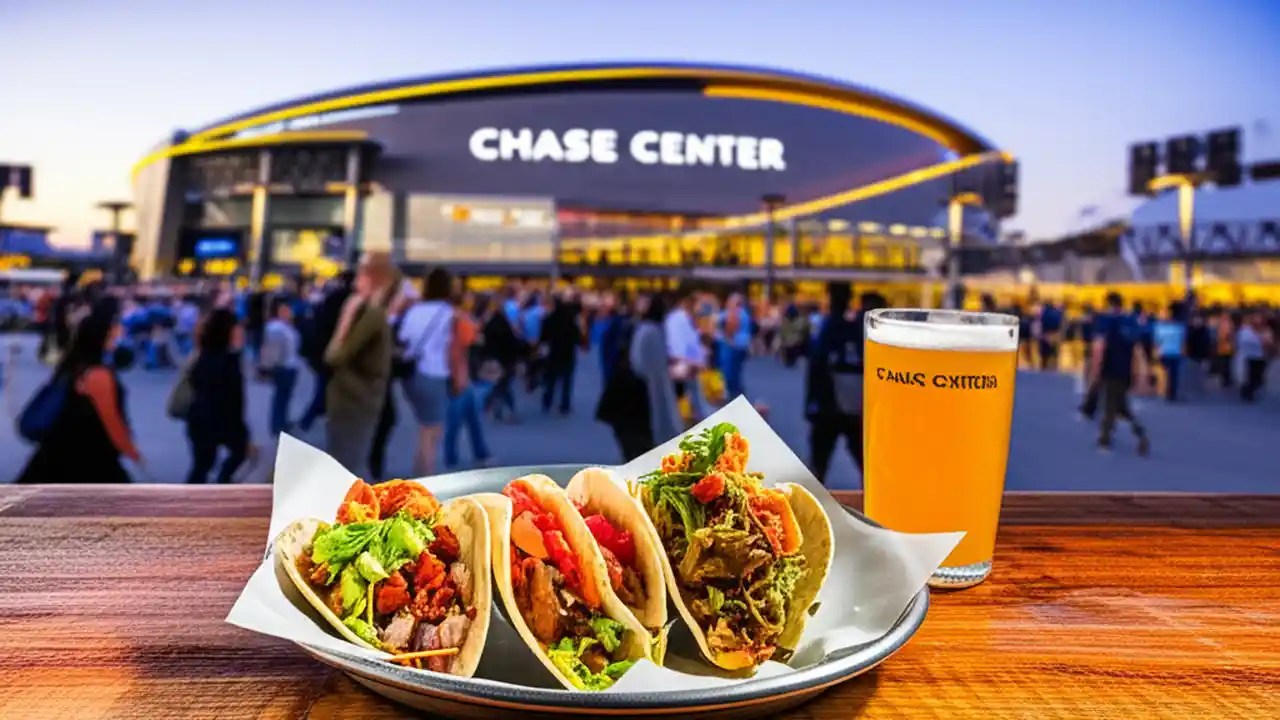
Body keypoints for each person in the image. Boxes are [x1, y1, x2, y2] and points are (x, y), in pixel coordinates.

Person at [18, 300, 141, 484]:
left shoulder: (75, 365)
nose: (121, 332)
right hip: (89, 457)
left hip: (59, 455)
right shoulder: (97, 374)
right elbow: (111, 420)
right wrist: (130, 451)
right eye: (115, 328)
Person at [325, 257, 393, 478]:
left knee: (346, 463)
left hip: (355, 399)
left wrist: (345, 319)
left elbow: (335, 355)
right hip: (355, 399)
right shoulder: (371, 313)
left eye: (361, 276)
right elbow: (335, 356)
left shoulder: (371, 314)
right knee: (347, 462)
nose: (356, 282)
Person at [805, 284, 876, 484]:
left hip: (829, 405)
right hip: (851, 406)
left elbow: (816, 367)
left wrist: (812, 403)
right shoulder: (856, 332)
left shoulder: (828, 328)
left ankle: (813, 496)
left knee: (820, 463)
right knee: (865, 462)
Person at [399, 267, 456, 476]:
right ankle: (425, 476)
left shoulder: (415, 310)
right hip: (435, 372)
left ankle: (420, 472)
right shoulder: (448, 312)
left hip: (412, 373)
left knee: (424, 426)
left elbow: (403, 338)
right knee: (432, 430)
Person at [186, 308, 252, 484]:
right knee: (234, 454)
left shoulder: (204, 355)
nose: (242, 335)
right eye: (237, 331)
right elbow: (234, 400)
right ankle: (222, 483)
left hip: (200, 420)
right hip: (218, 420)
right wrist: (241, 432)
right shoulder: (229, 361)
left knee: (202, 466)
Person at [1089, 292, 1151, 455]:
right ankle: (1140, 433)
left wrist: (1095, 369)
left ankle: (1105, 439)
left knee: (1109, 406)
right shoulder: (1130, 321)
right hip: (1125, 371)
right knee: (1122, 407)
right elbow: (1138, 350)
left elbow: (1099, 347)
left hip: (1110, 369)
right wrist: (1140, 374)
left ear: (1109, 304)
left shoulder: (1108, 321)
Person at [297, 271, 353, 432]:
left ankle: (314, 418)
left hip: (321, 351)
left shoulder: (329, 299)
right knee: (326, 387)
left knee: (326, 385)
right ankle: (310, 419)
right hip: (331, 351)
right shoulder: (344, 300)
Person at [443, 294, 493, 469]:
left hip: (462, 377)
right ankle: (453, 458)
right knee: (457, 420)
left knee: (471, 417)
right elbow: (470, 340)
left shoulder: (455, 319)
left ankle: (479, 453)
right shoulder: (458, 321)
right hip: (460, 377)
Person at [629, 294, 681, 447]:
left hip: (647, 379)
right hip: (654, 379)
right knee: (660, 412)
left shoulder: (644, 329)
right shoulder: (653, 331)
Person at [259, 296, 302, 436]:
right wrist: (268, 367)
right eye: (284, 310)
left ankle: (281, 422)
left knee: (284, 398)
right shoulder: (275, 328)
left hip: (291, 366)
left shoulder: (288, 326)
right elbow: (271, 351)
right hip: (283, 367)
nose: (288, 312)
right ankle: (277, 425)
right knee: (280, 398)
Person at [665, 292, 708, 421]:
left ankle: (695, 416)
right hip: (684, 363)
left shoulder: (685, 318)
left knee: (692, 392)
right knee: (687, 393)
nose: (701, 309)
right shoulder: (679, 319)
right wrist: (693, 361)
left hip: (687, 363)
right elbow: (679, 344)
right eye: (700, 305)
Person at [481, 292, 522, 422]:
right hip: (505, 360)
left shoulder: (489, 325)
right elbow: (512, 343)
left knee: (498, 385)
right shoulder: (505, 324)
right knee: (503, 385)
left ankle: (494, 408)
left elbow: (484, 342)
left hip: (492, 358)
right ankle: (505, 411)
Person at [540, 292, 583, 415]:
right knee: (566, 381)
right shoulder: (570, 322)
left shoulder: (548, 320)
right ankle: (565, 405)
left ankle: (547, 402)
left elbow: (543, 338)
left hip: (553, 354)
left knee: (551, 380)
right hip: (568, 354)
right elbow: (577, 338)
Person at [718, 292, 752, 400]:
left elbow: (731, 327)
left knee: (729, 372)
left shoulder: (734, 313)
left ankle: (734, 395)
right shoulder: (744, 313)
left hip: (733, 345)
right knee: (736, 371)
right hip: (742, 345)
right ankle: (738, 394)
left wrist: (728, 338)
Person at [1152, 302, 1187, 402]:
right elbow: (1183, 341)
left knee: (1165, 374)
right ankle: (1172, 393)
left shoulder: (1159, 327)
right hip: (1175, 353)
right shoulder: (1180, 327)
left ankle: (1165, 392)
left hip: (1164, 353)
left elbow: (1156, 341)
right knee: (1174, 374)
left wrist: (1156, 353)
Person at [1237, 311, 1273, 403]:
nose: (1258, 321)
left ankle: (1248, 390)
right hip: (1250, 356)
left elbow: (1269, 341)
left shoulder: (1265, 330)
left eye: (1259, 319)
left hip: (1261, 356)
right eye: (1256, 319)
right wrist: (1259, 339)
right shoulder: (1246, 330)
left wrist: (1265, 342)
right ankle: (1247, 392)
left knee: (1259, 377)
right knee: (1251, 376)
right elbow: (1244, 341)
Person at [778, 302, 810, 368]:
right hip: (796, 340)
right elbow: (805, 329)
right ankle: (792, 361)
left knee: (788, 351)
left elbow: (782, 331)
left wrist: (781, 338)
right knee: (794, 351)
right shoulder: (800, 320)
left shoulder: (785, 320)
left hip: (788, 340)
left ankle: (789, 361)